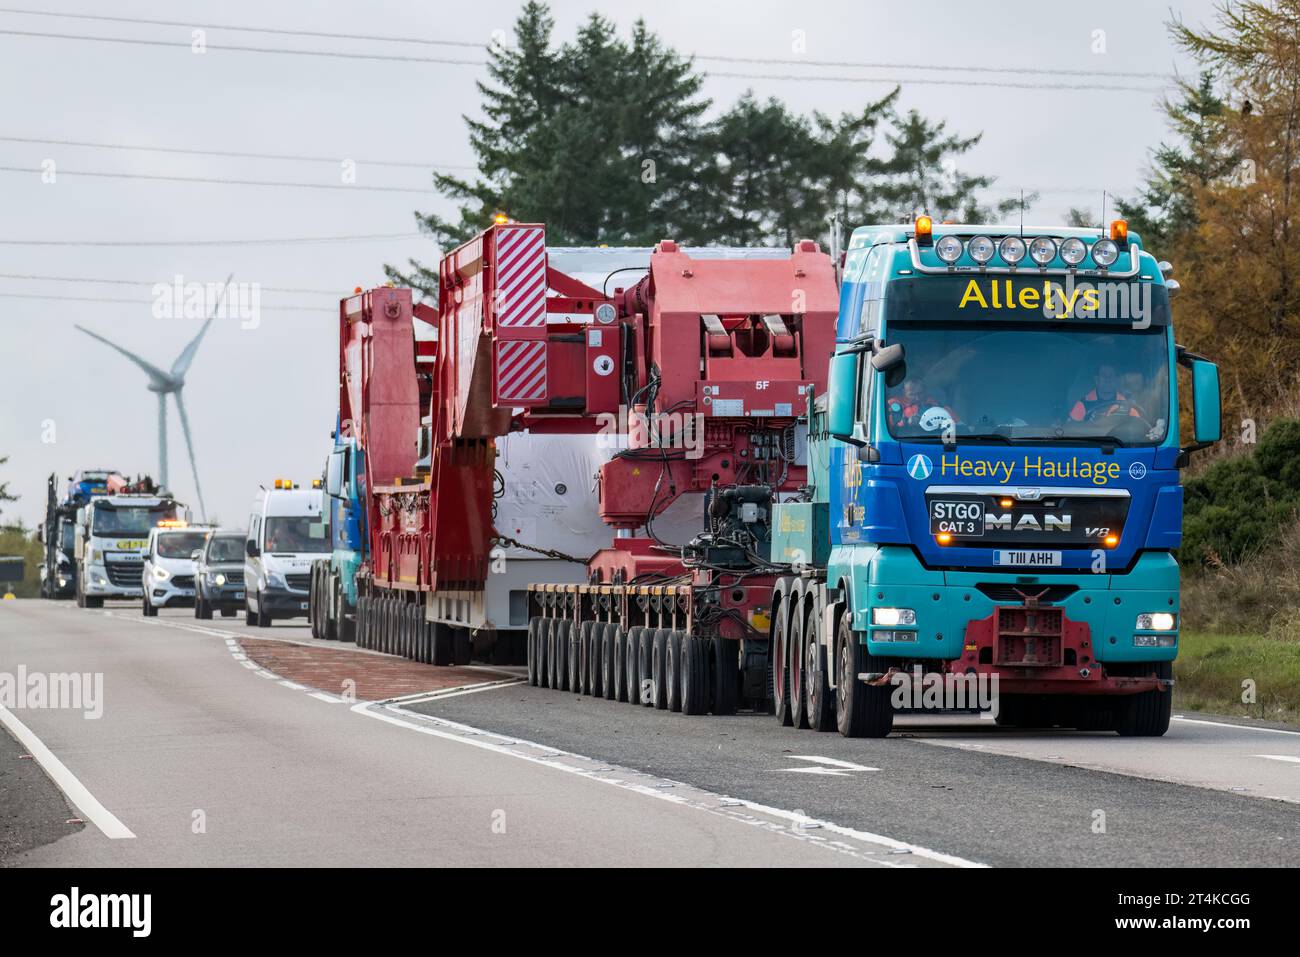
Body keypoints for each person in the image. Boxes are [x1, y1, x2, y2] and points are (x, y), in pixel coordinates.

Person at [1069, 364, 1144, 422]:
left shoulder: (1127, 404)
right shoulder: (1083, 404)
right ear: (1097, 380)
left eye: (1111, 375)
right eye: (1104, 375)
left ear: (1115, 380)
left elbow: (1137, 426)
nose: (1107, 379)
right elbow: (1071, 428)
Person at [888, 379, 953, 431]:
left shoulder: (935, 404)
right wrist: (905, 422)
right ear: (904, 392)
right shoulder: (894, 403)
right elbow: (889, 429)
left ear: (925, 391)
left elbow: (956, 425)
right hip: (903, 439)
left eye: (920, 393)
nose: (917, 398)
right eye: (912, 394)